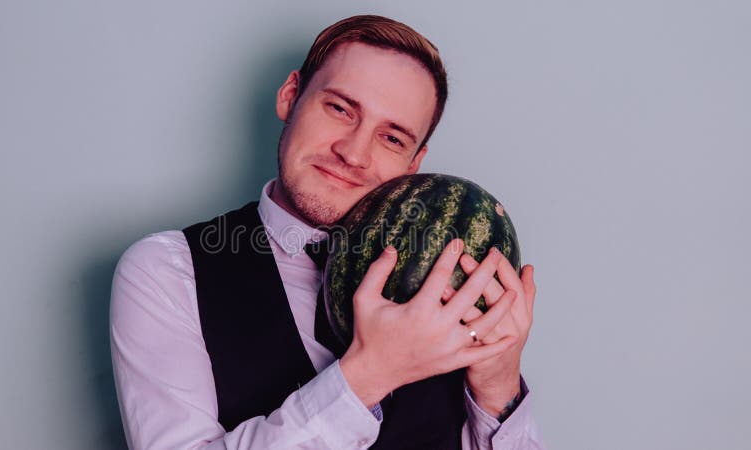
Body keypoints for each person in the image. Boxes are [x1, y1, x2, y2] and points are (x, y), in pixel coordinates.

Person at [110, 14, 546, 449]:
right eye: (340, 109)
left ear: (414, 163)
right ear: (290, 97)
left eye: (392, 138)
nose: (353, 153)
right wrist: (372, 372)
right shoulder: (168, 271)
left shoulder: (452, 279)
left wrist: (498, 389)